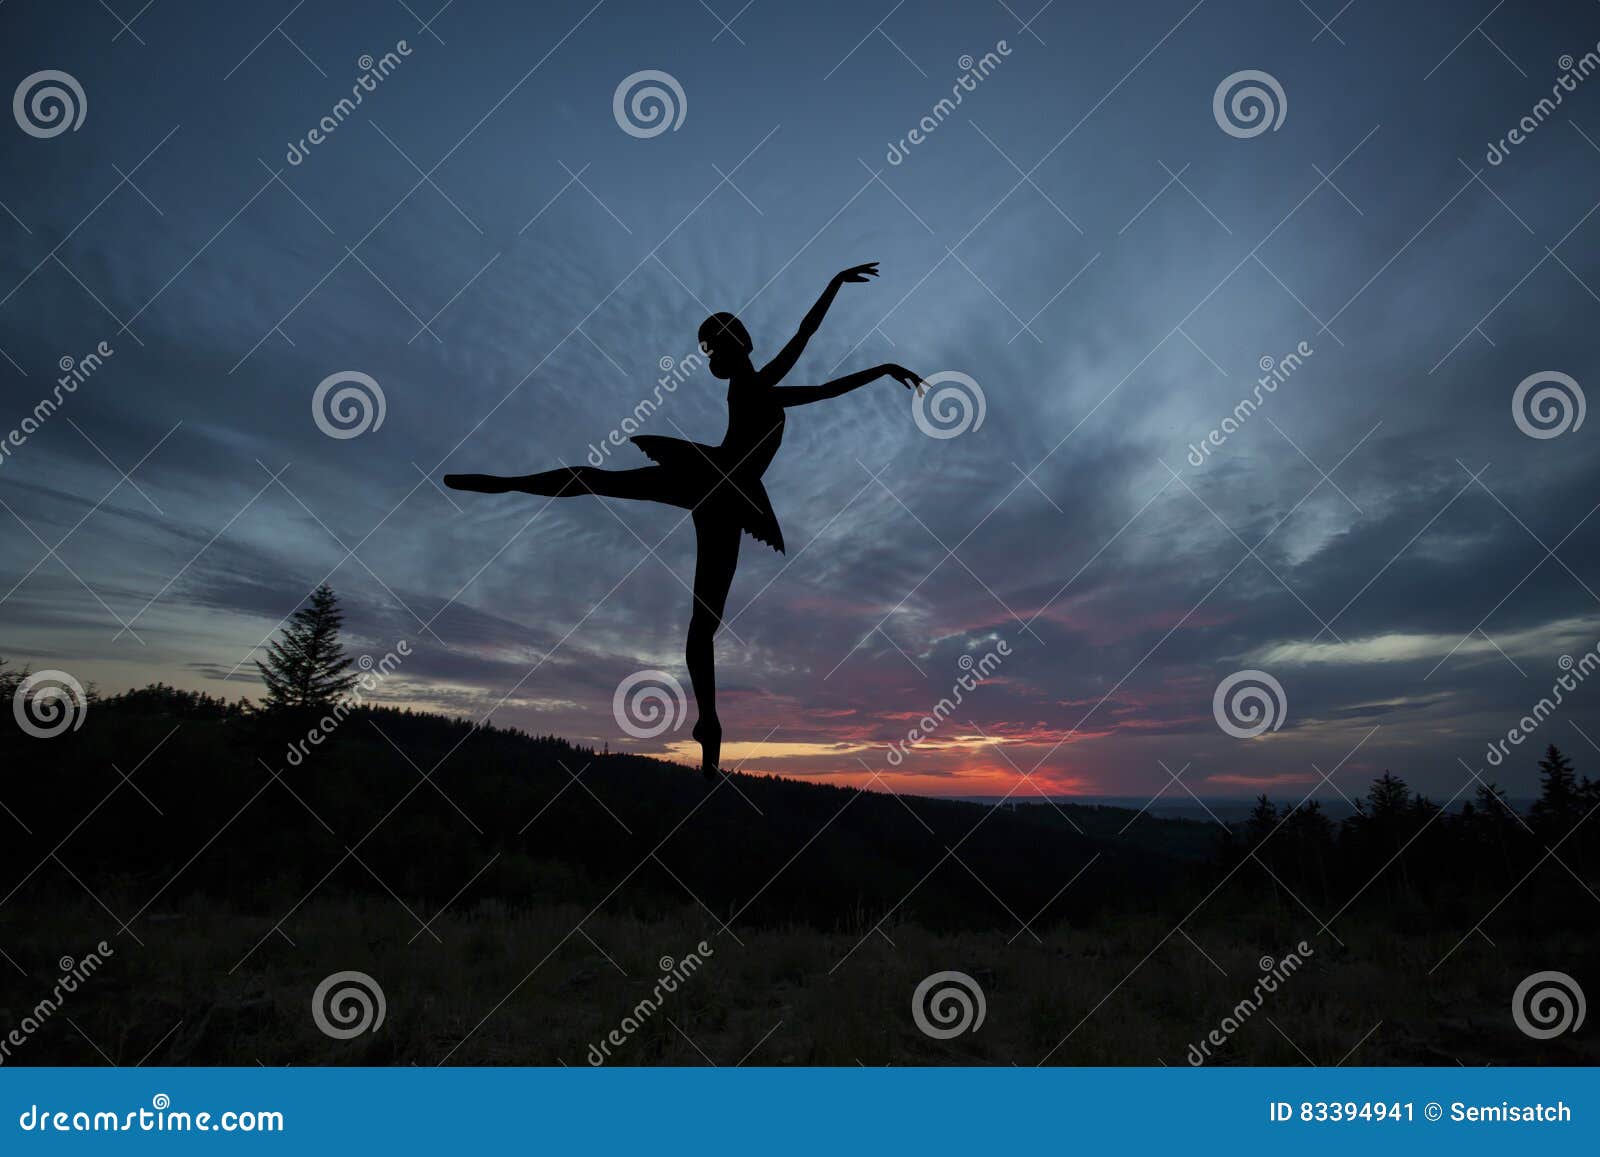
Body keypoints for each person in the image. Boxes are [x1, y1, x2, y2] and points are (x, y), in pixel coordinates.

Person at [445, 262, 925, 778]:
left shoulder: (759, 387)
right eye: (710, 350)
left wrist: (869, 348)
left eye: (717, 347)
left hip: (724, 494)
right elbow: (811, 358)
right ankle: (509, 483)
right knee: (610, 494)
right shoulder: (751, 388)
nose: (713, 357)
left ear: (738, 344)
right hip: (717, 484)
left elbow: (814, 364)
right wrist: (867, 344)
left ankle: (710, 723)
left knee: (699, 617)